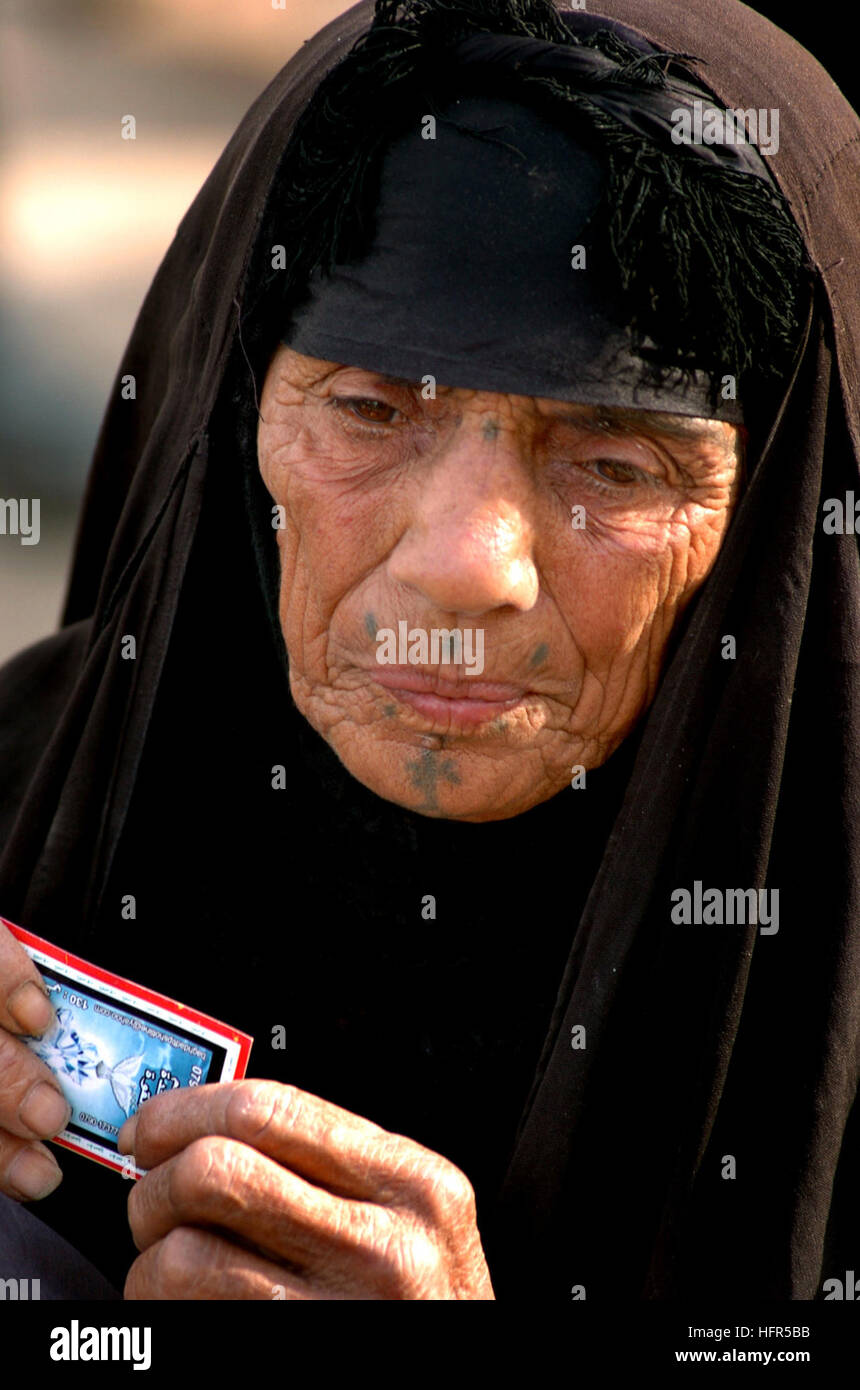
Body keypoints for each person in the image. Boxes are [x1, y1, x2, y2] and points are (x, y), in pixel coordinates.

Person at [0, 0, 857, 1301]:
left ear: (773, 520)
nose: (467, 568)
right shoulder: (26, 797)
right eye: (369, 407)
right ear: (234, 415)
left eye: (617, 459)